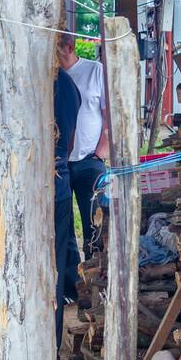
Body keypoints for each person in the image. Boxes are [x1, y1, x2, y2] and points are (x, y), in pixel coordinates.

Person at [58, 33, 109, 303]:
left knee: (95, 223)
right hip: (61, 164)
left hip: (90, 160)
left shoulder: (94, 71)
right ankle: (74, 287)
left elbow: (108, 113)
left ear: (69, 46)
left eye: (56, 50)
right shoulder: (50, 76)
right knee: (63, 226)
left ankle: (96, 282)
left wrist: (101, 150)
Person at [53, 62, 81, 351]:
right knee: (56, 271)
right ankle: (51, 348)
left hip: (37, 185)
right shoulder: (69, 85)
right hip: (59, 179)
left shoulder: (28, 78)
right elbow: (70, 144)